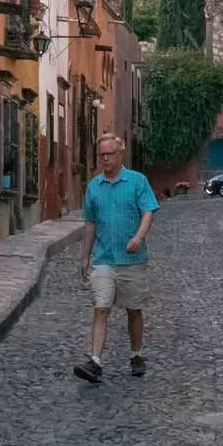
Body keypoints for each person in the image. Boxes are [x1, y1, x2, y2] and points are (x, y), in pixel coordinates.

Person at [74, 133, 158, 383]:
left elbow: (148, 211)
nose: (105, 159)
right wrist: (85, 257)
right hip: (103, 259)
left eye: (110, 154)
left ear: (120, 154)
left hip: (132, 260)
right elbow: (90, 224)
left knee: (133, 310)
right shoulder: (93, 187)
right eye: (101, 155)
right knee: (101, 309)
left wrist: (139, 237)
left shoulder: (137, 181)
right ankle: (95, 361)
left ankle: (136, 354)